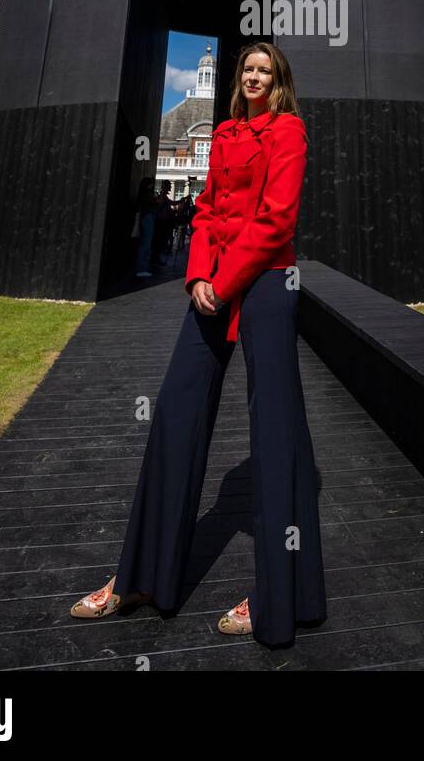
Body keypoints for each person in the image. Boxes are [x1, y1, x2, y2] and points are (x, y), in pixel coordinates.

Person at [70, 42, 326, 648]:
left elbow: (277, 220)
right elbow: (207, 209)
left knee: (276, 431)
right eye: (249, 69)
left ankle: (279, 596)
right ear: (237, 79)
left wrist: (229, 277)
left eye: (267, 69)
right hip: (215, 282)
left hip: (265, 283)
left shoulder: (289, 132)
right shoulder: (229, 134)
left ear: (279, 81)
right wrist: (199, 276)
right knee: (176, 412)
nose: (256, 76)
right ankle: (141, 577)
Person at [134, 177, 156, 279]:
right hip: (147, 218)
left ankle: (142, 267)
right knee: (145, 244)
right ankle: (141, 268)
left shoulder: (143, 195)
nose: (152, 186)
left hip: (146, 217)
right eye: (151, 184)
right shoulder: (147, 195)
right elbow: (154, 204)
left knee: (144, 244)